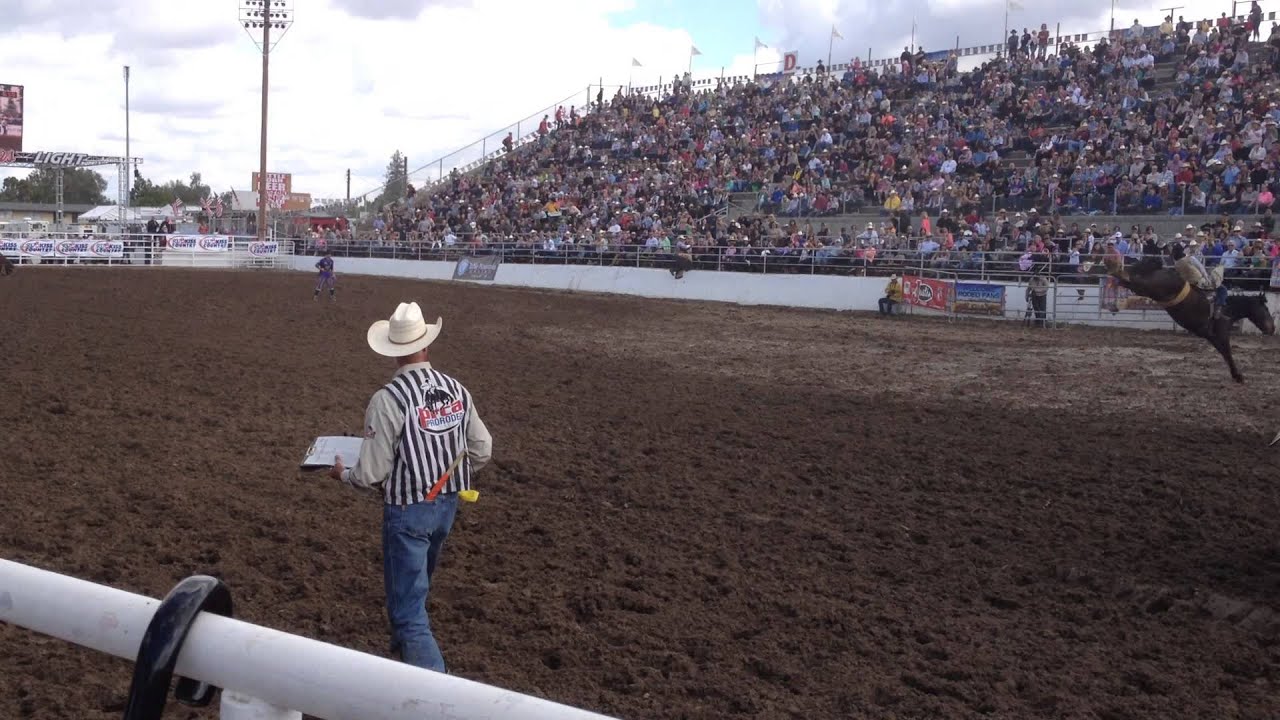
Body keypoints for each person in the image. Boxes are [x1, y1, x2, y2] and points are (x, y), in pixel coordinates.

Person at [329, 301, 493, 673]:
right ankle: (405, 664)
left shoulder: (388, 399)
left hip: (407, 510)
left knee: (408, 610)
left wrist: (343, 474)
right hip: (447, 503)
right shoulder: (456, 389)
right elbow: (482, 448)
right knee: (415, 587)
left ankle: (434, 694)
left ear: (393, 352)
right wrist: (452, 470)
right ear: (425, 343)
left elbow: (371, 472)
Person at [1172, 238, 1227, 318]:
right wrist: (1207, 278)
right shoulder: (1190, 258)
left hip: (1187, 284)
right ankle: (1218, 309)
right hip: (1199, 282)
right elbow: (1201, 268)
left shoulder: (1176, 264)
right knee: (1222, 289)